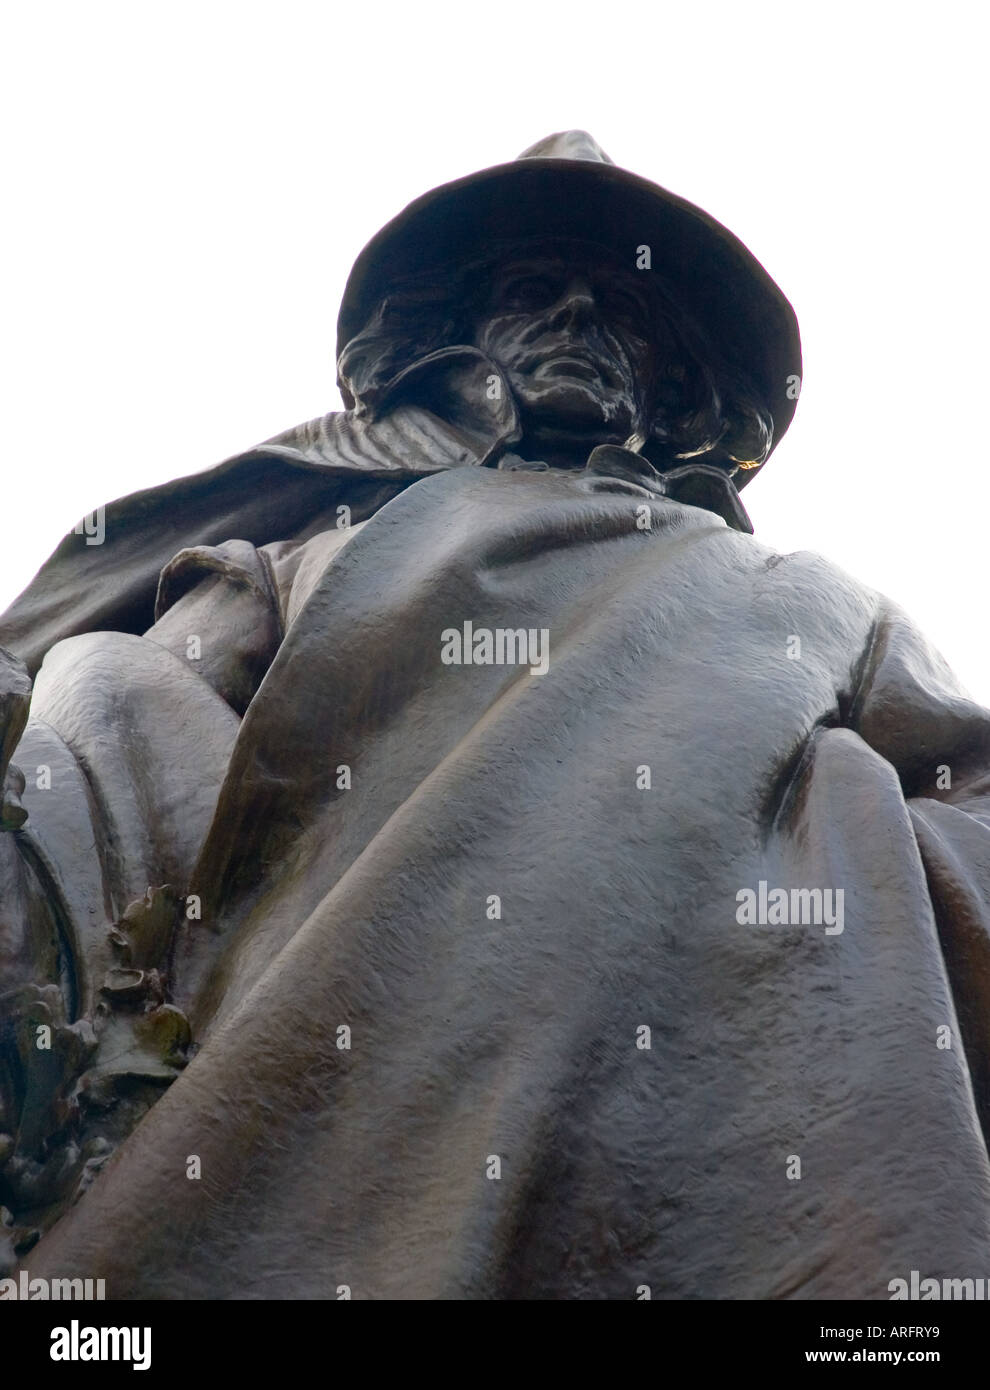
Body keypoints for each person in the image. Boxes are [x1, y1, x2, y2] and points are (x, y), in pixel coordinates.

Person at [2, 132, 989, 1299]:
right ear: (458, 346)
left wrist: (843, 826)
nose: (576, 318)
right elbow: (114, 723)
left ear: (669, 384)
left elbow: (968, 789)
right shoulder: (310, 556)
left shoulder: (805, 605)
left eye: (618, 309)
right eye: (535, 295)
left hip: (666, 1031)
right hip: (316, 1021)